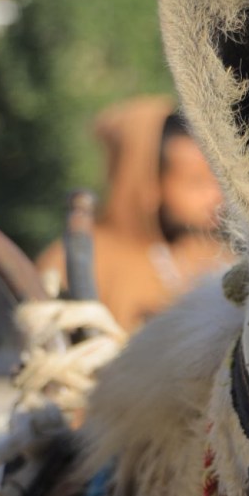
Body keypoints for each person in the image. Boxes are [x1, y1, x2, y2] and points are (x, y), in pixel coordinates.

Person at [37, 96, 231, 332]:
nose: (216, 196)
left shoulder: (210, 255)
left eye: (216, 180)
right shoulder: (76, 261)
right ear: (148, 185)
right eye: (197, 182)